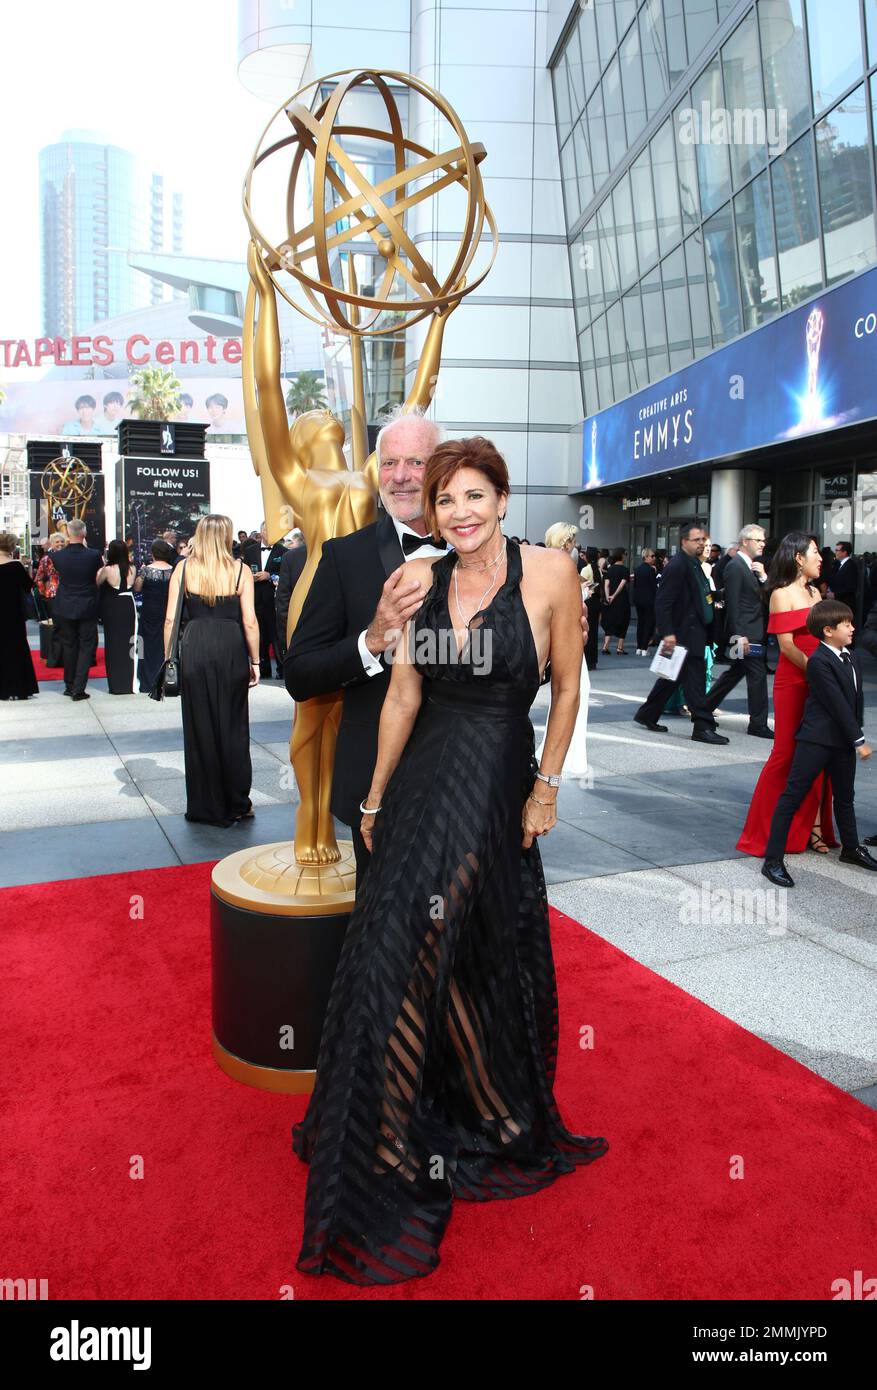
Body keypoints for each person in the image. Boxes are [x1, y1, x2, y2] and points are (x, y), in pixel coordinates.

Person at [292, 435, 608, 1285]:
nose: (459, 512)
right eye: (445, 501)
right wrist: (372, 797)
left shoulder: (547, 574)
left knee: (446, 952)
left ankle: (496, 1116)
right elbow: (401, 695)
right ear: (431, 512)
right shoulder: (419, 580)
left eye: (474, 495)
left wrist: (545, 789)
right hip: (422, 782)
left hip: (495, 782)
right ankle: (396, 1132)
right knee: (399, 955)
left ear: (501, 498)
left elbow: (570, 686)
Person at [762, 601, 877, 887]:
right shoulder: (818, 662)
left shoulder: (851, 657)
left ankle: (850, 849)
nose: (852, 628)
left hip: (841, 742)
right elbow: (836, 704)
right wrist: (859, 740)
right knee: (793, 796)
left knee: (845, 797)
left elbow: (855, 701)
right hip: (816, 740)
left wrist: (855, 731)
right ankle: (772, 860)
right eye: (846, 624)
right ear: (828, 631)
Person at [737, 533, 837, 856]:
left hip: (820, 682)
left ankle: (815, 827)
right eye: (815, 552)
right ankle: (763, 830)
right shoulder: (781, 594)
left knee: (821, 752)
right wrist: (818, 672)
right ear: (798, 558)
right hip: (795, 683)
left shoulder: (816, 593)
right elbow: (787, 645)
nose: (821, 558)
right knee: (786, 755)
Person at [164, 514, 260, 826]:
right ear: (227, 536)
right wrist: (256, 661)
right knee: (233, 728)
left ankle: (205, 805)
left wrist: (169, 659)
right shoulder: (241, 570)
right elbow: (249, 621)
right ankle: (237, 802)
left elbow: (170, 621)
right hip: (231, 646)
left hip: (195, 647)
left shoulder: (184, 568)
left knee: (199, 727)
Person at [633, 522, 729, 744]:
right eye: (697, 540)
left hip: (692, 632)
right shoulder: (678, 566)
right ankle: (703, 727)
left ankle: (647, 713)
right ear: (684, 541)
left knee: (671, 678)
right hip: (684, 634)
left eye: (703, 540)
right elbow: (663, 602)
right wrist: (667, 632)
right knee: (694, 683)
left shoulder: (694, 564)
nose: (702, 543)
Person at [704, 525, 772, 739]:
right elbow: (733, 604)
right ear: (745, 541)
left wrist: (763, 578)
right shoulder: (735, 567)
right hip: (745, 633)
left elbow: (760, 598)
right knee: (757, 676)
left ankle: (703, 708)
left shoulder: (751, 567)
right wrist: (739, 635)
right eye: (758, 540)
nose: (763, 543)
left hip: (751, 630)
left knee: (735, 673)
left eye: (763, 540)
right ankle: (758, 724)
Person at [541, 523, 589, 777]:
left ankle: (563, 757)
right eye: (574, 541)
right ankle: (570, 759)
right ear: (567, 541)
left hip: (558, 639)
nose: (575, 546)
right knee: (571, 697)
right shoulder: (564, 566)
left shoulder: (542, 564)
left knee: (562, 697)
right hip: (568, 641)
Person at [50, 518, 102, 700]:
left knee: (69, 645)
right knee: (86, 647)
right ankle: (78, 688)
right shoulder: (94, 555)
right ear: (84, 534)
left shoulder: (57, 556)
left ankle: (69, 685)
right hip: (87, 605)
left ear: (68, 534)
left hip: (64, 605)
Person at [244, 522, 286, 678]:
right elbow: (245, 571)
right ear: (261, 532)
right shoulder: (250, 551)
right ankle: (263, 668)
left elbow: (287, 575)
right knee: (259, 636)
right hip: (255, 599)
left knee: (277, 636)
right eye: (267, 530)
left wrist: (270, 575)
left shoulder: (284, 551)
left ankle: (282, 669)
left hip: (274, 601)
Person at [0, 532, 39, 700]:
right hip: (13, 612)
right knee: (17, 647)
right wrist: (27, 567)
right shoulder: (15, 567)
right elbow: (28, 586)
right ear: (11, 547)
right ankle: (20, 687)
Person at [133, 540, 175, 693]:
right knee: (165, 645)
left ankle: (147, 680)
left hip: (149, 611)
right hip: (167, 610)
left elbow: (137, 587)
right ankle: (166, 679)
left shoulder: (146, 571)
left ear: (153, 553)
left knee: (147, 646)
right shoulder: (174, 570)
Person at [96, 540, 136, 694]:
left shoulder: (107, 570)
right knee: (130, 643)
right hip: (128, 606)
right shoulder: (132, 568)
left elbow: (97, 583)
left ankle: (116, 684)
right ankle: (129, 682)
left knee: (113, 645)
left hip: (112, 607)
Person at [274, 536, 308, 664]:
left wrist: (285, 636)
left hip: (298, 631)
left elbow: (283, 600)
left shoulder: (291, 557)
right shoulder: (291, 557)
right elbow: (283, 599)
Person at [601, 547, 631, 655]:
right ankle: (619, 647)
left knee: (610, 621)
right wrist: (614, 595)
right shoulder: (625, 570)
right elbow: (622, 584)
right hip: (621, 599)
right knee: (624, 621)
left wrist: (609, 596)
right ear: (622, 555)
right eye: (626, 554)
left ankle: (605, 646)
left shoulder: (610, 569)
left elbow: (606, 585)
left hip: (610, 601)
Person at [632, 548, 657, 655]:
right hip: (649, 600)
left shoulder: (637, 569)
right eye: (652, 556)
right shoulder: (651, 570)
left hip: (639, 600)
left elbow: (636, 585)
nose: (653, 558)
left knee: (641, 623)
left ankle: (639, 647)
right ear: (646, 557)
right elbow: (653, 587)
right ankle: (644, 648)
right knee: (648, 623)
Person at [34, 532, 64, 620]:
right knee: (55, 621)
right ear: (51, 543)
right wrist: (43, 593)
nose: (60, 544)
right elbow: (39, 577)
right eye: (57, 542)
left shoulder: (68, 556)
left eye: (62, 541)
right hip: (52, 593)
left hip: (67, 593)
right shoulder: (46, 559)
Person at [581, 545, 601, 671]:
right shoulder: (597, 569)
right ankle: (593, 660)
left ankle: (587, 660)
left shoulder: (585, 569)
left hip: (588, 601)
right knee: (594, 632)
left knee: (587, 631)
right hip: (597, 602)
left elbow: (581, 585)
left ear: (587, 557)